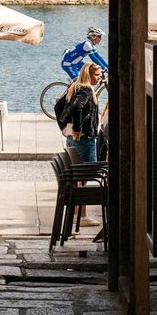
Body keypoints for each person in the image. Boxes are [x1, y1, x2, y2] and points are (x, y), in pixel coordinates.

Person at [65, 62, 102, 227]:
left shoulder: (75, 87)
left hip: (74, 139)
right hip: (84, 139)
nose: (99, 77)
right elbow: (76, 108)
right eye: (97, 75)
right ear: (89, 75)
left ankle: (77, 213)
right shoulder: (86, 90)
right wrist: (78, 129)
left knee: (79, 177)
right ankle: (81, 215)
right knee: (84, 175)